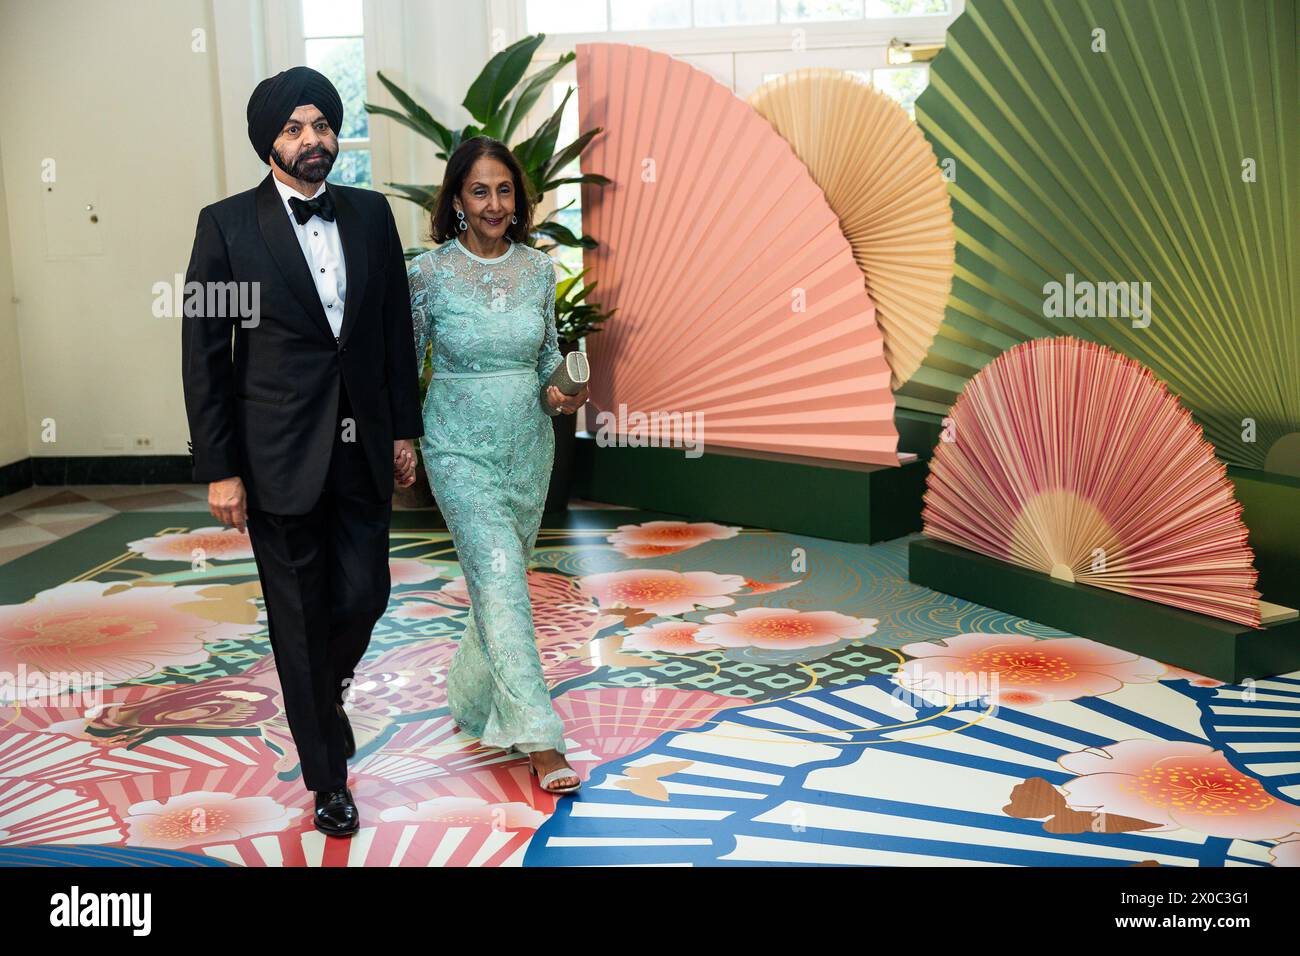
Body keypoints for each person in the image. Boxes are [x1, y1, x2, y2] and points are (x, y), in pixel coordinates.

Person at [181, 66, 422, 837]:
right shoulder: (225, 225)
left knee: (363, 595)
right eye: (293, 128)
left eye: (321, 124)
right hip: (275, 457)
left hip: (362, 449)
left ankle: (324, 693)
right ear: (268, 141)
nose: (311, 140)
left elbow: (391, 329)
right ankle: (328, 778)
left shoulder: (371, 215)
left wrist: (402, 430)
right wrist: (219, 466)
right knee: (296, 621)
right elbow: (204, 353)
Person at [408, 137, 590, 794]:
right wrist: (400, 443)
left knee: (499, 586)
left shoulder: (539, 271)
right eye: (479, 190)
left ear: (519, 198)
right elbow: (402, 370)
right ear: (456, 198)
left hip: (528, 448)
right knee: (504, 578)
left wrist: (565, 390)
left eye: (504, 190)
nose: (493, 203)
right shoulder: (428, 274)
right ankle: (541, 739)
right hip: (457, 449)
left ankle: (468, 696)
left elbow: (546, 364)